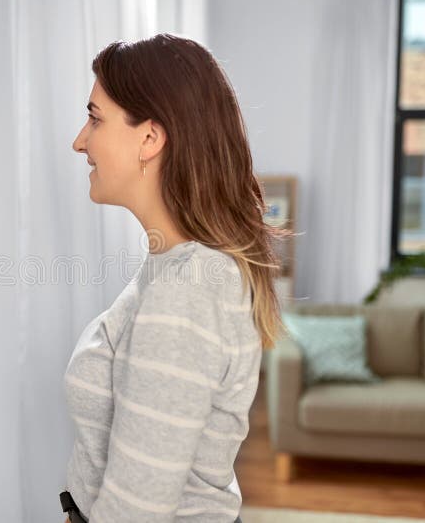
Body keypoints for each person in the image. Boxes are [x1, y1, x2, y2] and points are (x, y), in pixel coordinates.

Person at [61, 33, 289, 522]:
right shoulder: (175, 264)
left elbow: (135, 513)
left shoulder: (188, 290)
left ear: (149, 138)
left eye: (95, 119)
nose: (80, 141)